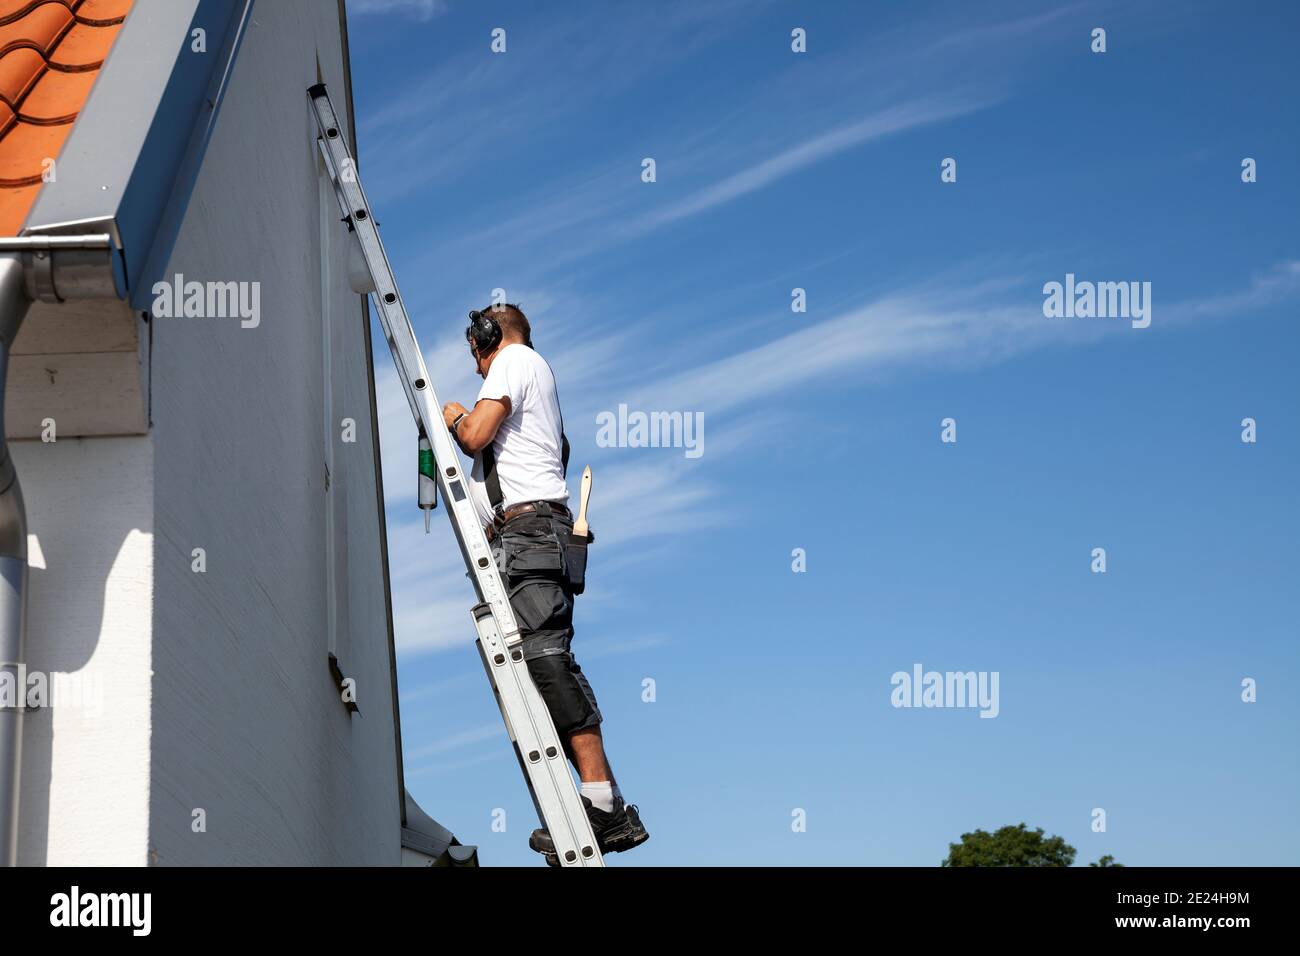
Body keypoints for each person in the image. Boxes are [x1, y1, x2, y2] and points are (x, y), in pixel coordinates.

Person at [442, 303, 649, 864]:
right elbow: (547, 456)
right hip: (531, 532)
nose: (478, 370)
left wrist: (456, 416)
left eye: (475, 354)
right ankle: (585, 802)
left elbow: (477, 433)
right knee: (540, 663)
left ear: (489, 337)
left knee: (548, 658)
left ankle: (604, 805)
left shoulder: (514, 361)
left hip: (534, 532)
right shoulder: (538, 377)